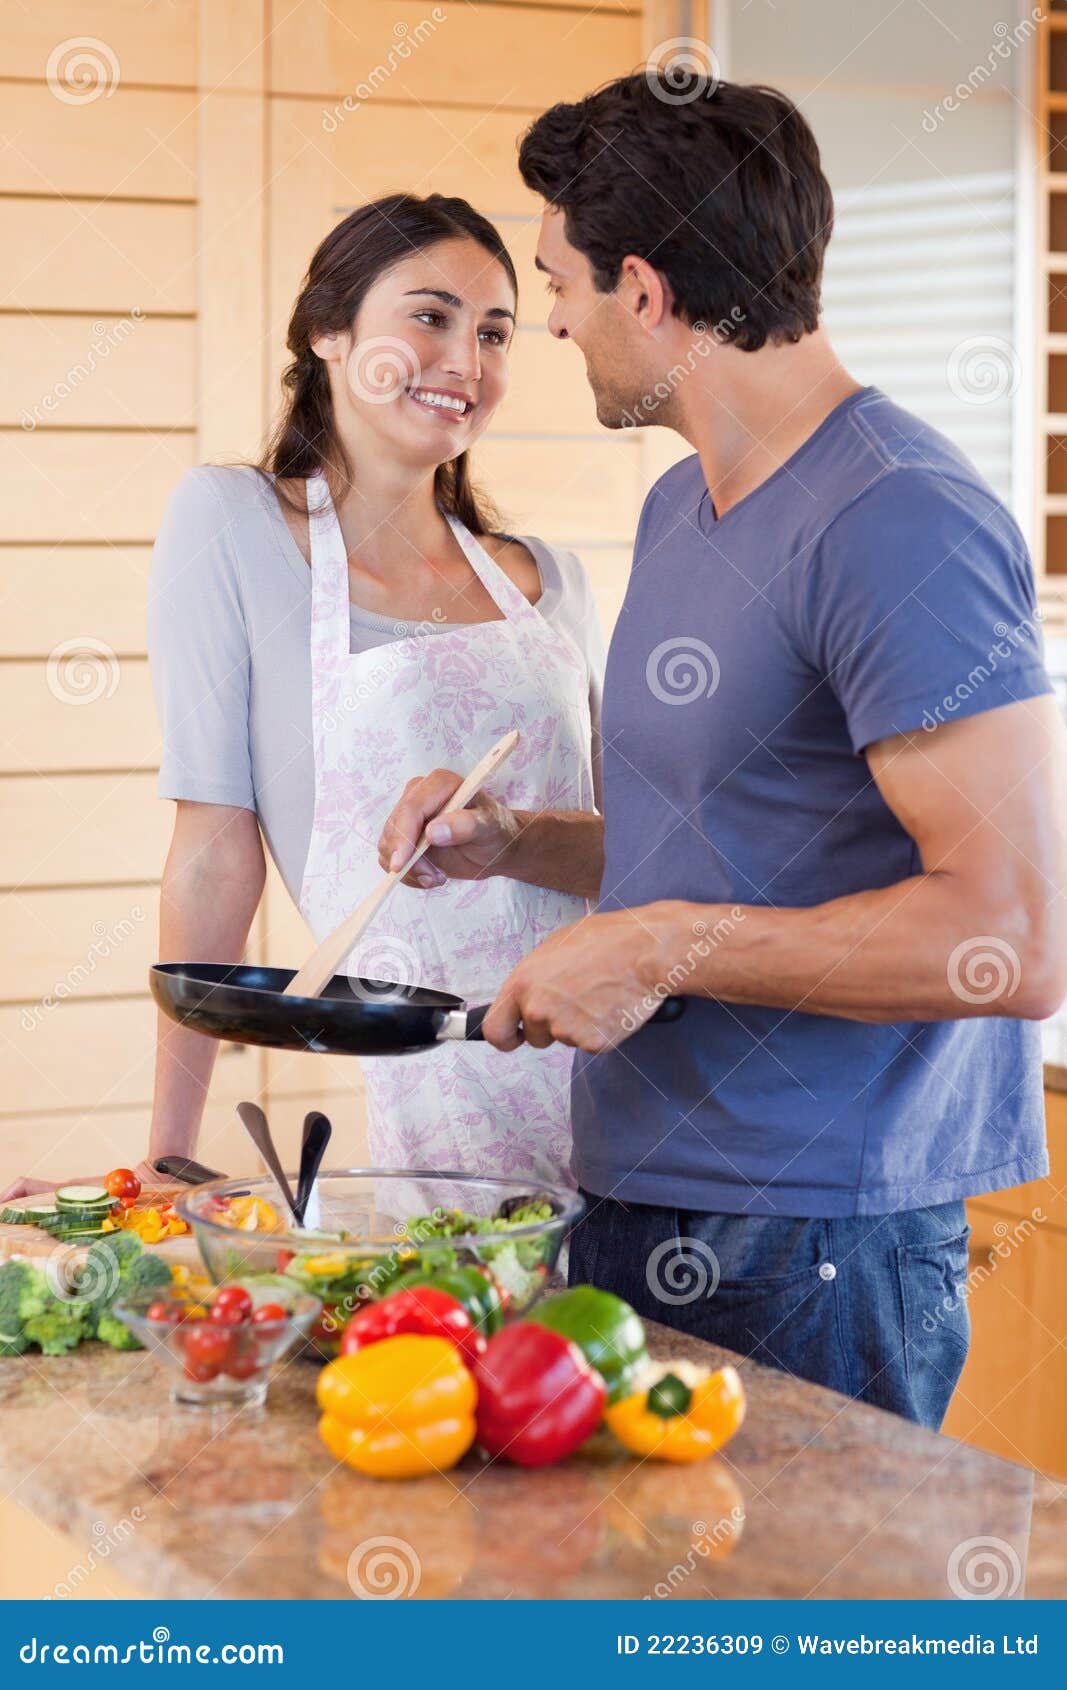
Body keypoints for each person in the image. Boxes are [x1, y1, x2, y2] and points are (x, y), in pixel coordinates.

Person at [375, 80, 1067, 1427]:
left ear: (643, 290)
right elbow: (722, 829)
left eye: (559, 281)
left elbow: (1015, 934)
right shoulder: (685, 507)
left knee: (786, 1642)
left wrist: (651, 945)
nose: (554, 319)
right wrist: (515, 839)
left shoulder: (898, 520)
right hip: (637, 1192)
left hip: (813, 1241)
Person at [0, 192, 604, 1204]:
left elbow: (628, 843)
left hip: (624, 1085)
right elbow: (212, 845)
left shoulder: (551, 579)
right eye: (430, 316)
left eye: (494, 332)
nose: (467, 360)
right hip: (435, 1116)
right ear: (328, 331)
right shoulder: (231, 524)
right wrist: (168, 1150)